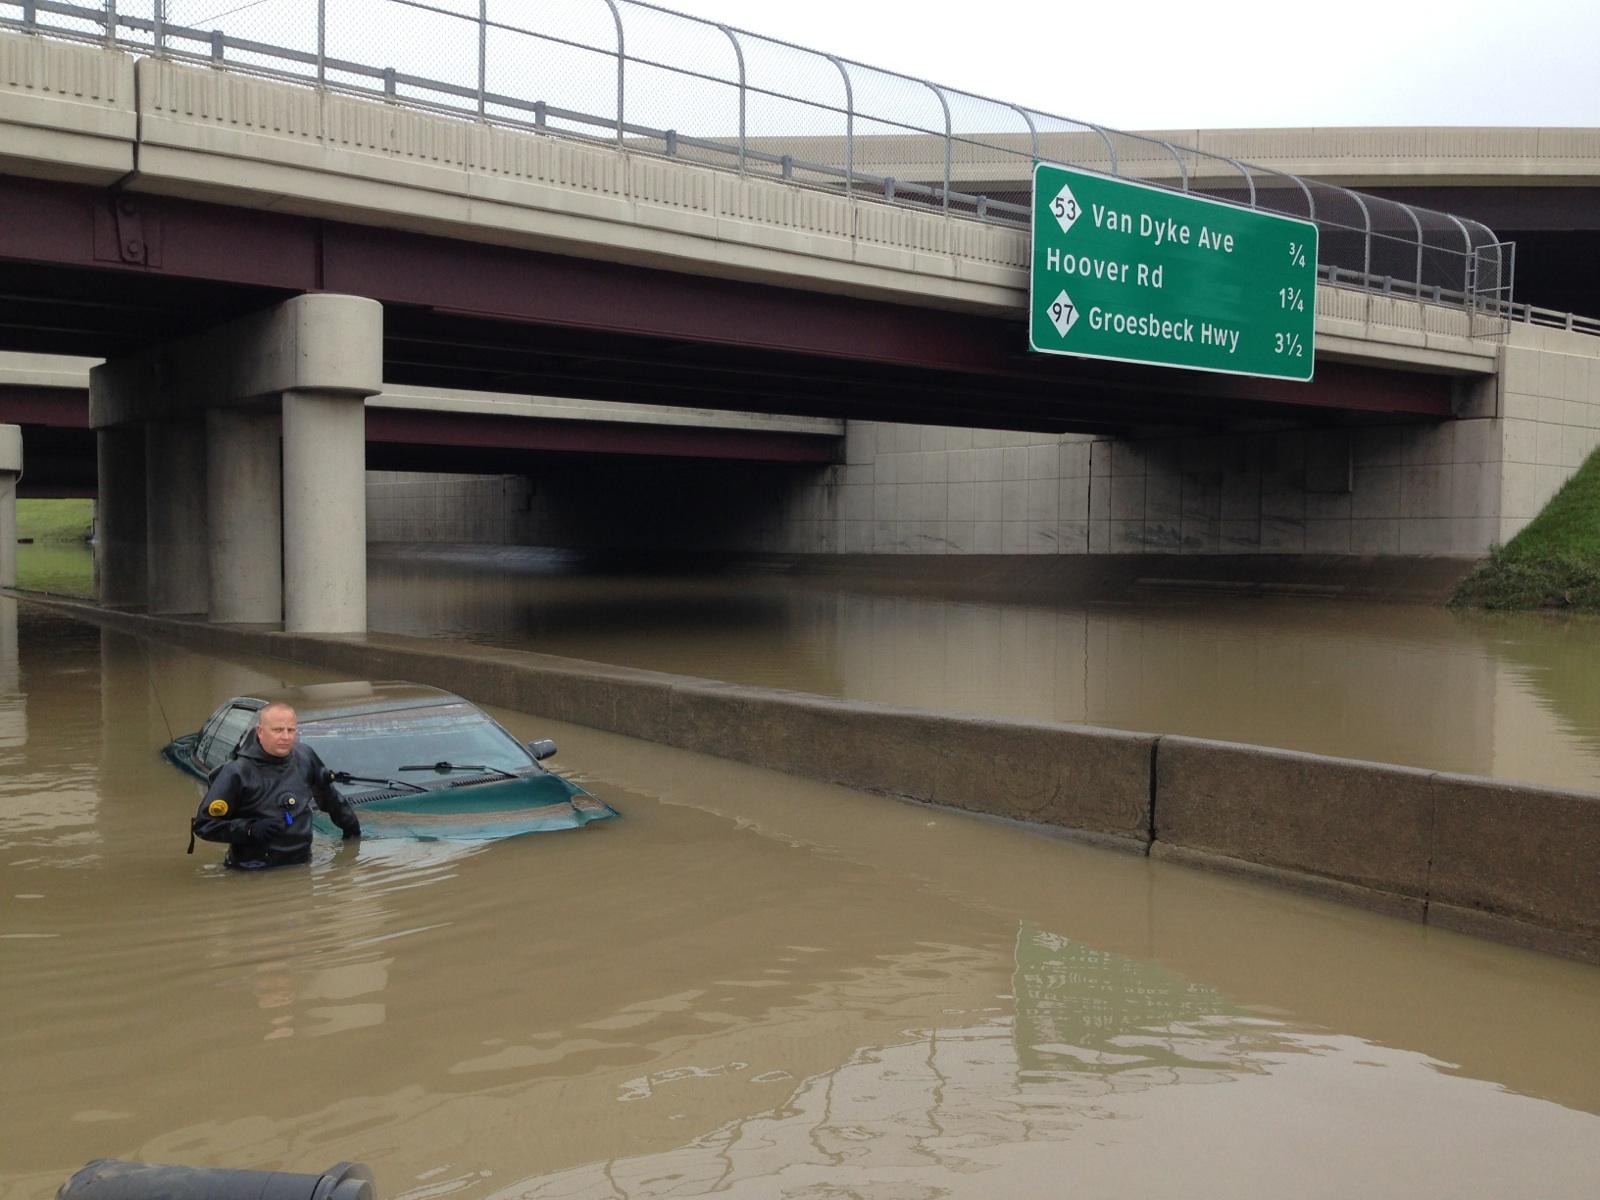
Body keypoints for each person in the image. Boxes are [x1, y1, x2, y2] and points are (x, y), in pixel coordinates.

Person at [189, 702, 361, 868]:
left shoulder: (305, 757)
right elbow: (204, 825)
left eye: (290, 730)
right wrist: (250, 829)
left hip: (301, 866)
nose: (285, 737)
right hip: (252, 871)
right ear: (261, 732)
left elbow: (331, 799)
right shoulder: (236, 772)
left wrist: (353, 835)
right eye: (278, 730)